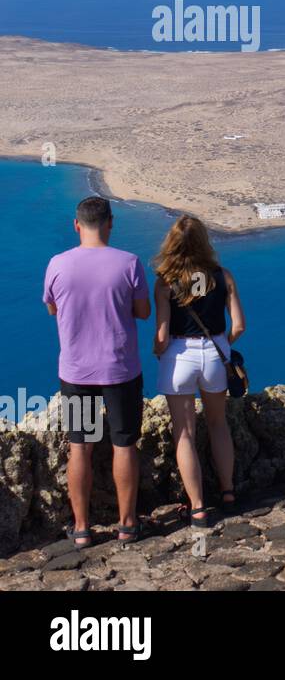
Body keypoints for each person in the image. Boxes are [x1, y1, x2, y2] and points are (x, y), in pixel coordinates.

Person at [43, 196, 151, 546]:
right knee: (124, 444)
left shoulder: (58, 264)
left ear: (76, 225)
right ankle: (127, 524)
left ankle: (81, 528)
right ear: (110, 223)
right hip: (120, 371)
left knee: (80, 446)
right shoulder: (129, 263)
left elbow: (52, 309)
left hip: (76, 374)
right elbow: (143, 312)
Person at [151, 215, 245, 527]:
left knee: (185, 432)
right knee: (219, 424)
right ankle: (228, 492)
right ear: (205, 242)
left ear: (172, 244)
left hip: (179, 355)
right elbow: (240, 326)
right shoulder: (223, 276)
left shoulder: (165, 282)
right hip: (216, 354)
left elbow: (162, 336)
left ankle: (198, 507)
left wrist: (158, 350)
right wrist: (222, 343)